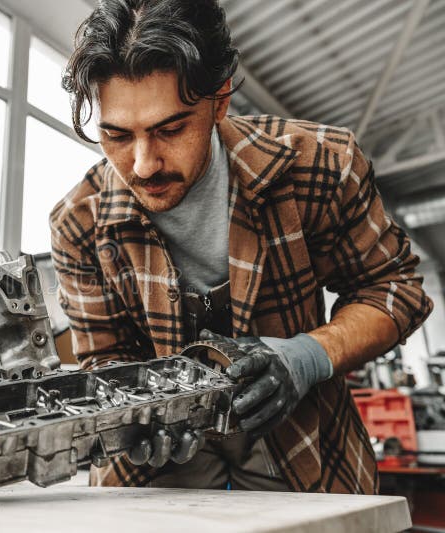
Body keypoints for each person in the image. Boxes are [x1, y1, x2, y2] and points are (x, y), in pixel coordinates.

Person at [50, 0, 432, 494]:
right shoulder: (79, 225)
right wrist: (132, 416)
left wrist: (307, 357)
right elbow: (104, 359)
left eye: (170, 129)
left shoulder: (319, 166)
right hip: (157, 473)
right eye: (116, 135)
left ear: (220, 98)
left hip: (302, 447)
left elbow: (395, 288)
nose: (144, 164)